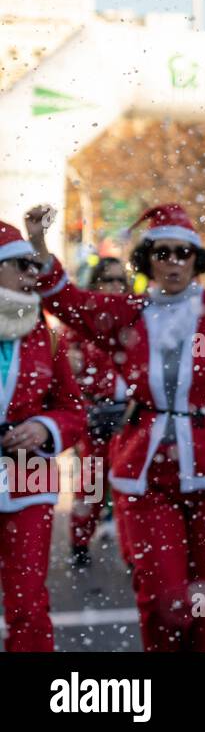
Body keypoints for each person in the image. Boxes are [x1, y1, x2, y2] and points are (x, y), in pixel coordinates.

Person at [28, 201, 205, 652]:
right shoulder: (128, 314)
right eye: (162, 252)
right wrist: (39, 245)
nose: (173, 262)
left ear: (197, 260)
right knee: (163, 600)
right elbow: (66, 301)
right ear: (147, 259)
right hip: (147, 476)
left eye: (183, 253)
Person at [0, 220, 86, 651]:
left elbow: (73, 411)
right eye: (21, 264)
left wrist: (44, 428)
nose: (33, 273)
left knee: (28, 602)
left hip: (29, 478)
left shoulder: (45, 334)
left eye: (35, 264)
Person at [62, 255, 131, 568]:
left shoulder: (136, 316)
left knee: (131, 488)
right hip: (95, 414)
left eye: (120, 280)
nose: (115, 286)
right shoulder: (83, 320)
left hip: (133, 415)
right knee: (91, 484)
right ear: (97, 283)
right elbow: (67, 367)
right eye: (109, 279)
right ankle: (79, 544)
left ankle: (135, 554)